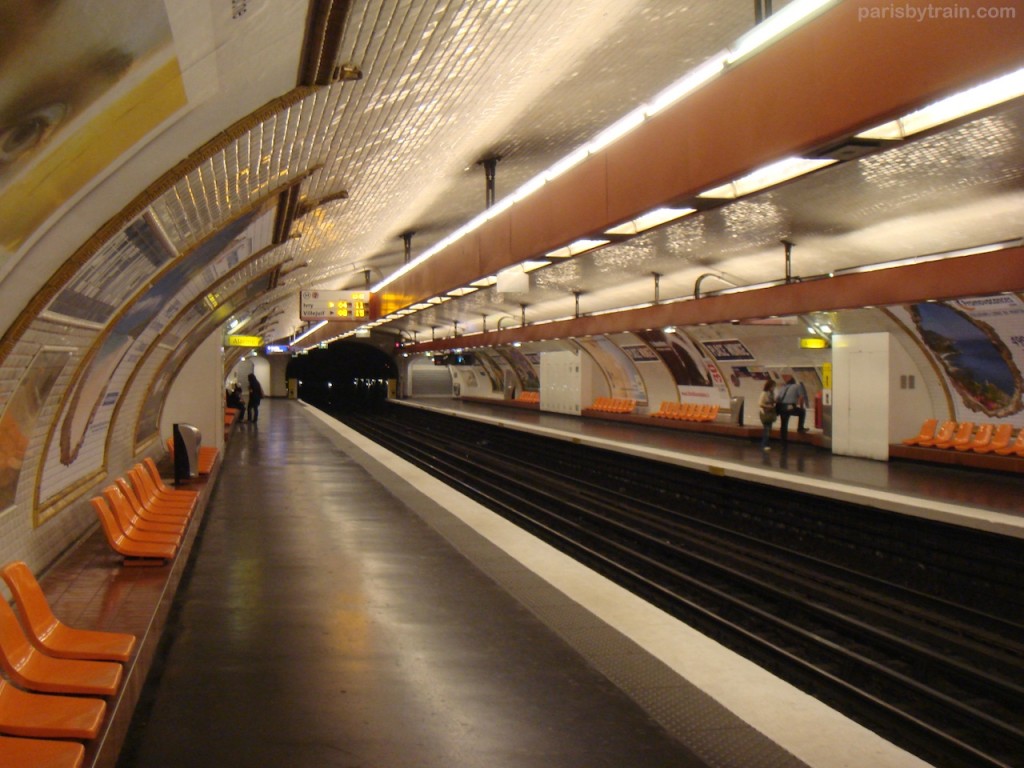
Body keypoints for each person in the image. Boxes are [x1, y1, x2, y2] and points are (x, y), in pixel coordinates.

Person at [776, 373, 808, 442]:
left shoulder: (783, 387)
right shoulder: (798, 386)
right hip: (790, 406)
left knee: (783, 424)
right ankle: (800, 428)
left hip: (782, 407)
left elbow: (777, 398)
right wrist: (801, 407)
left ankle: (783, 440)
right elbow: (801, 397)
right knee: (802, 412)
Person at [758, 379, 777, 452]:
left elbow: (772, 401)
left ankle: (766, 444)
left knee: (769, 429)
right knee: (766, 429)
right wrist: (768, 406)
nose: (774, 388)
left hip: (770, 413)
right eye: (773, 386)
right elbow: (760, 403)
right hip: (764, 413)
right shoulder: (764, 393)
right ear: (769, 386)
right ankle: (764, 445)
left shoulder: (771, 394)